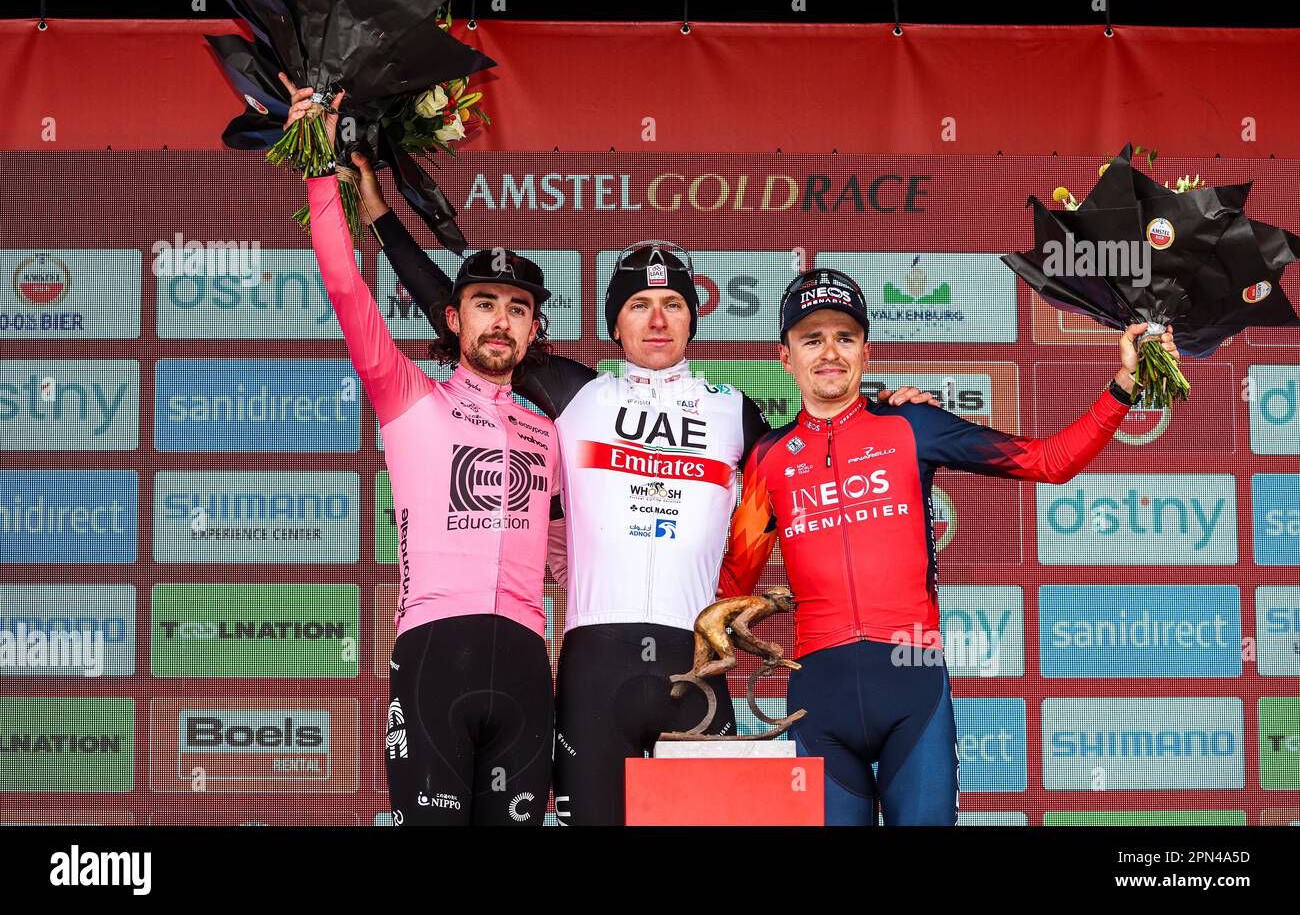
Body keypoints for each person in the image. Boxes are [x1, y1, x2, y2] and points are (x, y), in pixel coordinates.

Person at [357, 160, 936, 824]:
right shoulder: (573, 394)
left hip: (698, 669)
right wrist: (380, 216)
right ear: (616, 322)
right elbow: (457, 309)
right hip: (593, 673)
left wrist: (893, 415)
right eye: (639, 304)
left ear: (693, 320)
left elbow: (819, 453)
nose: (657, 320)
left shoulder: (734, 412)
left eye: (673, 304)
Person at [717, 267, 1181, 826]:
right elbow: (731, 588)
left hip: (910, 680)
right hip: (817, 693)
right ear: (785, 357)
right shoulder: (769, 459)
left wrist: (1125, 386)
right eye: (811, 339)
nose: (830, 353)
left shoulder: (912, 423)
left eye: (844, 337)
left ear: (866, 349)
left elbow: (1049, 462)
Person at [285, 80, 563, 826]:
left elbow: (575, 544)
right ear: (452, 316)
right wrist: (320, 162)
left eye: (518, 309)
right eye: (485, 304)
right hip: (437, 657)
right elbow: (345, 285)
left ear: (534, 331)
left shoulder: (551, 429)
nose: (501, 321)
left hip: (529, 670)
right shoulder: (408, 395)